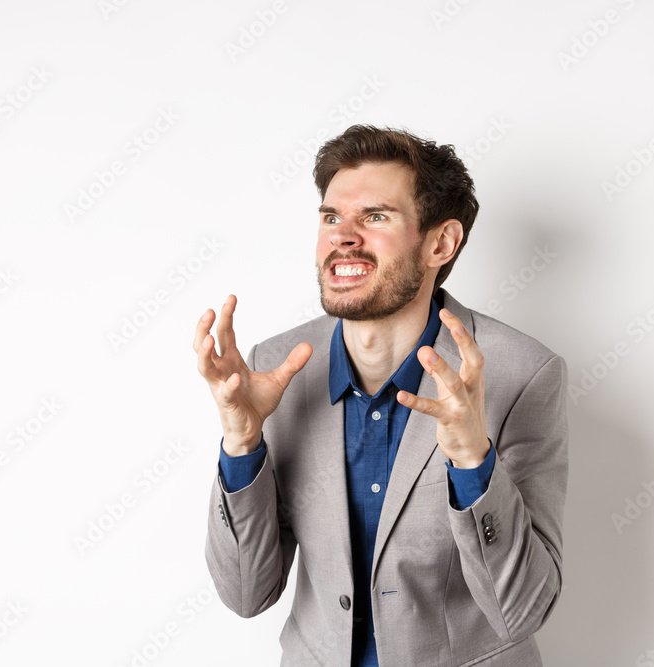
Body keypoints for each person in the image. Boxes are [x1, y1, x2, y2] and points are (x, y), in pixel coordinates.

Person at [195, 124, 568, 666]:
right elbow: (247, 594)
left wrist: (472, 460)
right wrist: (241, 443)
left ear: (440, 243)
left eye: (374, 216)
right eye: (330, 217)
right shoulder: (274, 369)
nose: (342, 236)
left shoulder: (523, 374)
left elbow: (522, 610)